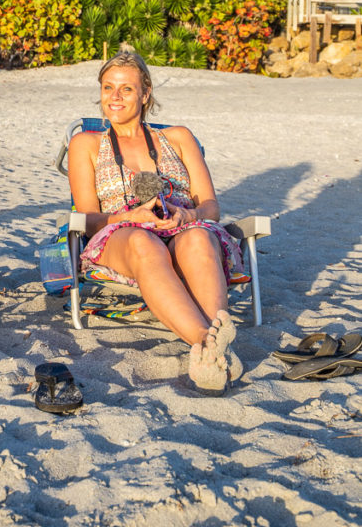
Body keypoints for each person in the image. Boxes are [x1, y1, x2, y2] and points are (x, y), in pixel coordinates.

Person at [68, 51, 244, 395]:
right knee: (141, 243)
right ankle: (209, 342)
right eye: (108, 88)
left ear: (145, 93)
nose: (114, 97)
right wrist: (130, 216)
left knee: (197, 239)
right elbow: (87, 218)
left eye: (126, 89)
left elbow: (211, 206)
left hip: (182, 225)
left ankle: (207, 356)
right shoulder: (86, 144)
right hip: (123, 232)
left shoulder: (178, 137)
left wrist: (188, 215)